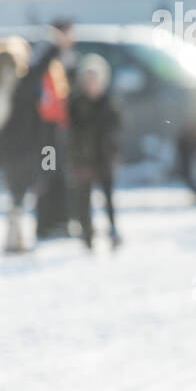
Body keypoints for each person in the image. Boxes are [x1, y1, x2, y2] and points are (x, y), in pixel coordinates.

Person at [66, 54, 122, 250]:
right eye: (88, 79)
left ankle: (113, 230)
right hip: (83, 157)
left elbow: (115, 131)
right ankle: (87, 233)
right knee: (84, 196)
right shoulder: (76, 102)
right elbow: (71, 133)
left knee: (108, 195)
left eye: (95, 79)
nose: (91, 84)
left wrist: (114, 154)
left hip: (104, 156)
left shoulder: (108, 102)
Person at [34, 19, 77, 238]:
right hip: (46, 132)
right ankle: (44, 223)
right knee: (47, 173)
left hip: (57, 128)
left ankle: (59, 221)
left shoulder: (61, 59)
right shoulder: (47, 56)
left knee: (59, 174)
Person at [0, 36, 38, 253]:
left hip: (10, 147)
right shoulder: (21, 84)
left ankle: (14, 236)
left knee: (17, 192)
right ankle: (15, 237)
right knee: (18, 192)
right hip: (18, 146)